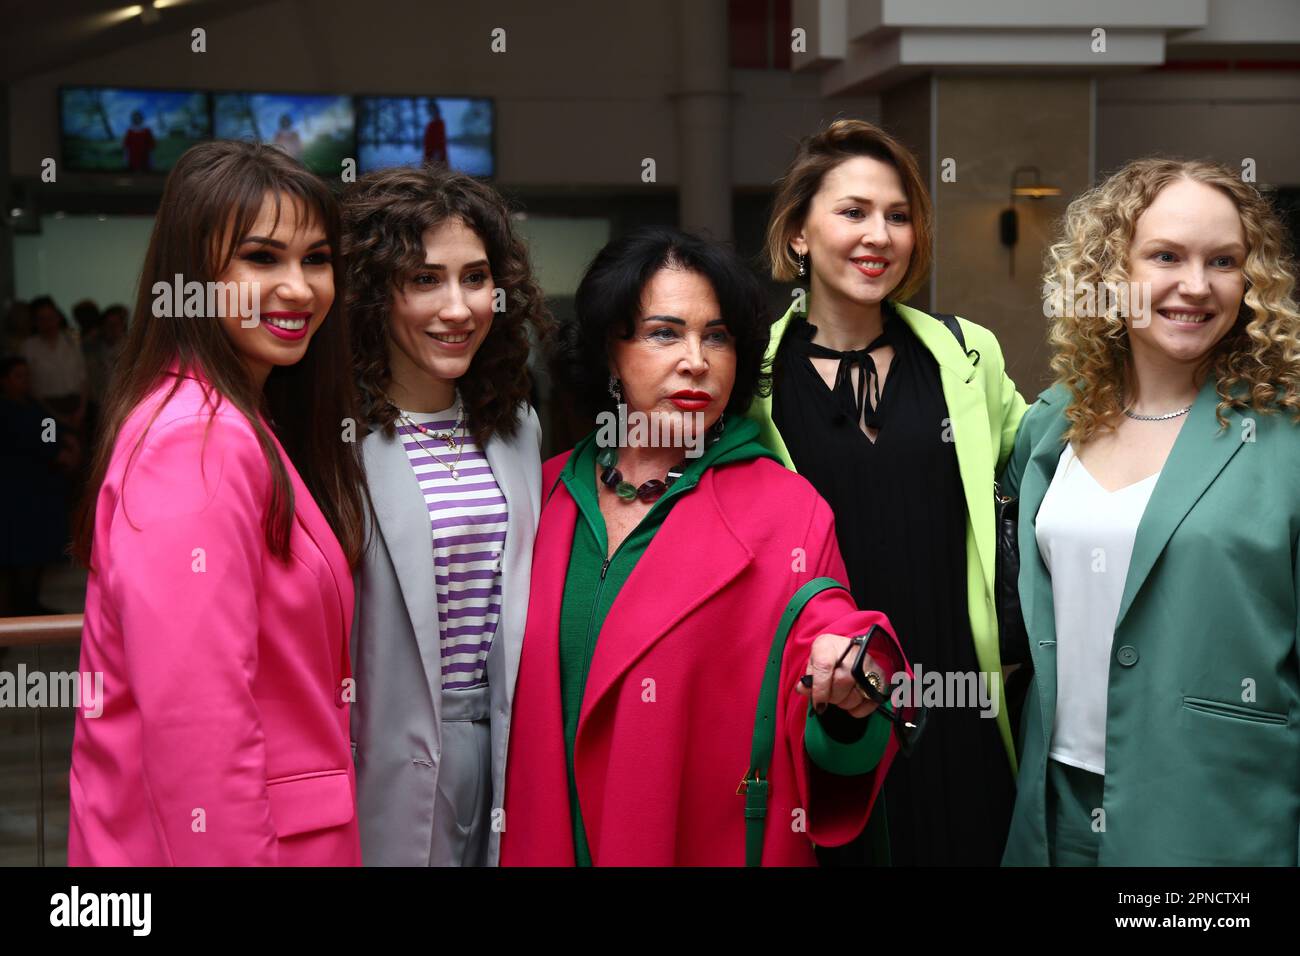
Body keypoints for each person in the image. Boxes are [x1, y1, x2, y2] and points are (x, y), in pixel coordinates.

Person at [501, 227, 912, 867]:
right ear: (610, 351)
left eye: (715, 336)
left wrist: (854, 679)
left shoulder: (786, 509)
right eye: (664, 333)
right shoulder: (539, 493)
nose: (696, 359)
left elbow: (832, 647)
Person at [67, 140, 369, 866]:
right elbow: (197, 726)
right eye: (262, 258)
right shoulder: (195, 441)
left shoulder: (233, 420)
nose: (298, 288)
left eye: (316, 259)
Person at [1001, 158, 1300, 866]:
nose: (1195, 285)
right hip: (1053, 809)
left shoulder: (1284, 439)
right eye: (1166, 256)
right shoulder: (1052, 424)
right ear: (1111, 273)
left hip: (1220, 819)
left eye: (1223, 261)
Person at [751, 118, 1027, 865]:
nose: (879, 235)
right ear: (799, 234)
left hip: (961, 692)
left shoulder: (967, 356)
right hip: (830, 698)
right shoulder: (752, 386)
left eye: (898, 216)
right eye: (853, 212)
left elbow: (1046, 468)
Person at [344, 165, 550, 866]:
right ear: (374, 295)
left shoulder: (517, 428)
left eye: (475, 277)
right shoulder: (337, 441)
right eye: (425, 279)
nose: (458, 307)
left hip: (504, 745)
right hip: (378, 748)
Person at [0, 356, 80, 617]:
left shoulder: (32, 403)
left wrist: (65, 442)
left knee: (39, 548)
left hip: (42, 485)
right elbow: (24, 443)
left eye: (27, 376)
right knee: (21, 552)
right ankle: (18, 609)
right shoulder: (6, 409)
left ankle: (31, 603)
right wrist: (56, 454)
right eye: (18, 376)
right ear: (5, 380)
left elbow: (49, 429)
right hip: (18, 489)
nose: (25, 381)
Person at [21, 296, 88, 439]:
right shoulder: (29, 347)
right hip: (45, 408)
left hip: (75, 406)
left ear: (58, 318)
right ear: (35, 322)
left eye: (51, 317)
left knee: (78, 450)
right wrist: (52, 414)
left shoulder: (71, 342)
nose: (48, 323)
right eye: (42, 319)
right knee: (52, 447)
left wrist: (81, 409)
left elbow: (82, 377)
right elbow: (30, 386)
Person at [423, 101, 448, 166]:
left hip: (434, 161)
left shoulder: (438, 124)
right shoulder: (431, 124)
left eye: (430, 109)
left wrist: (436, 160)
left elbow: (439, 143)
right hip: (430, 157)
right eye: (428, 109)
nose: (428, 111)